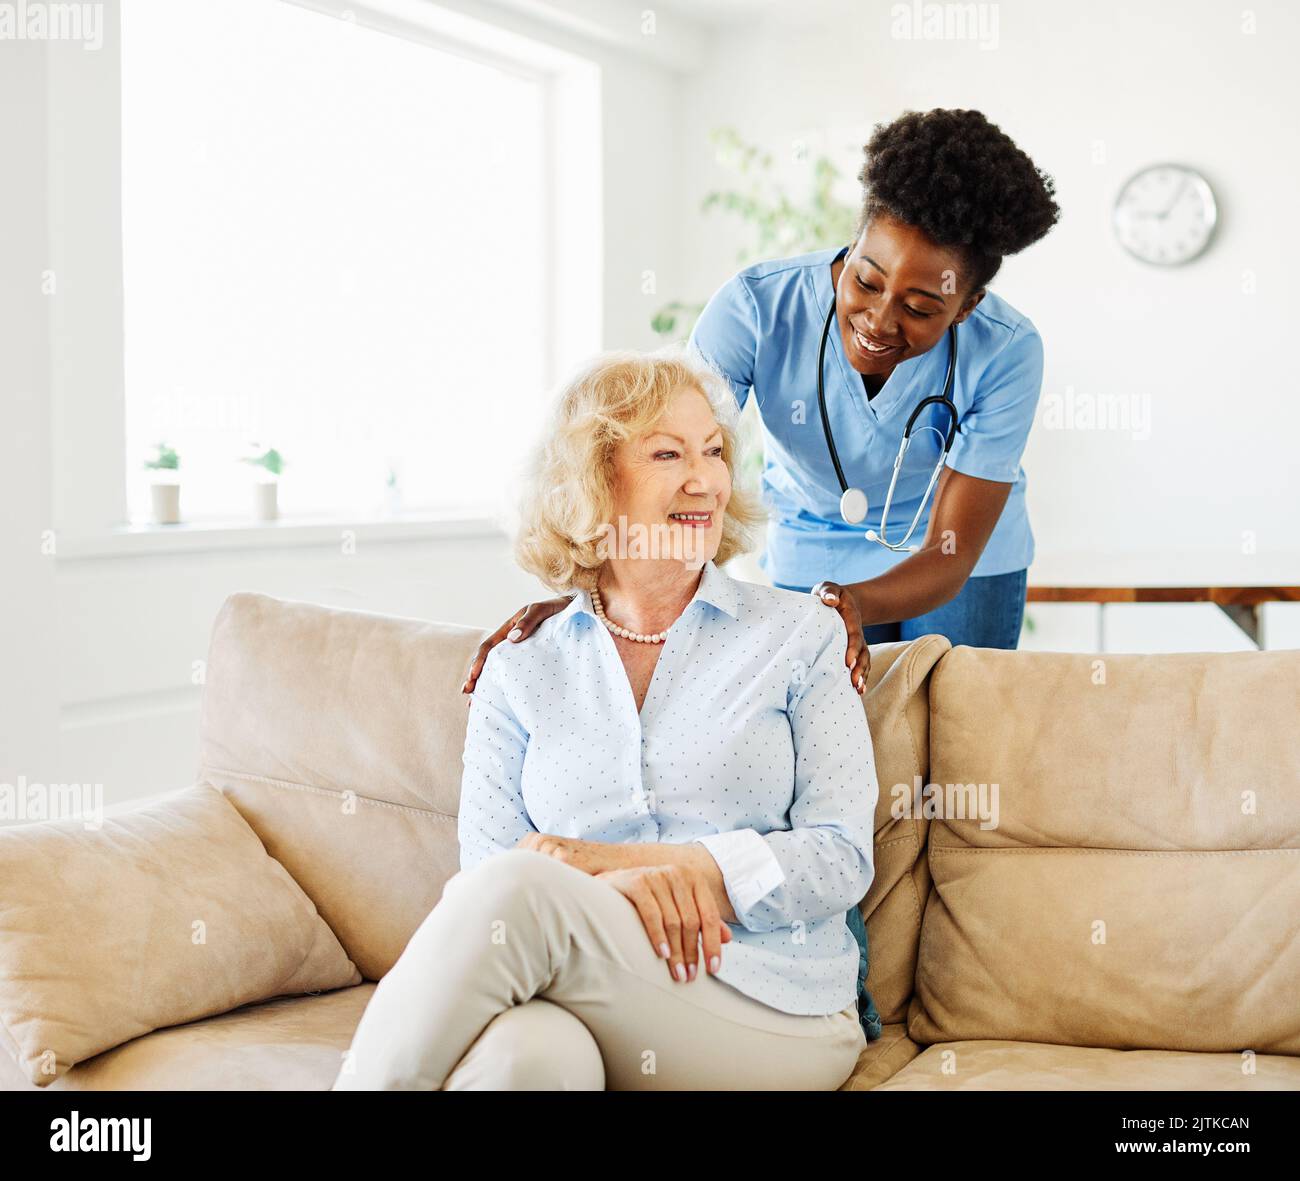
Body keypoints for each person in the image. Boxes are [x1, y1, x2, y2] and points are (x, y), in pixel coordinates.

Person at [333, 347, 879, 1090]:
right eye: (667, 452)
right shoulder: (520, 665)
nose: (705, 479)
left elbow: (841, 856)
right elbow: (485, 884)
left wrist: (650, 866)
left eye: (714, 452)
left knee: (522, 892)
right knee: (526, 1062)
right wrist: (605, 900)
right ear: (595, 481)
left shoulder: (797, 636)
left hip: (770, 1002)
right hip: (594, 989)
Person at [461, 108, 1061, 691]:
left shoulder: (1007, 350)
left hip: (958, 559)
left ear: (968, 305)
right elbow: (660, 461)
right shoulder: (756, 309)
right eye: (866, 280)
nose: (878, 320)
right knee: (828, 732)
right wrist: (588, 601)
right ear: (850, 248)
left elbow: (948, 557)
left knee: (957, 739)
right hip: (813, 544)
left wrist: (856, 599)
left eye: (921, 307)